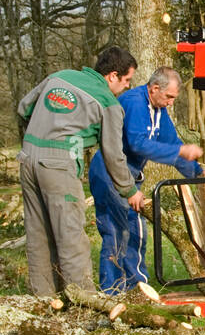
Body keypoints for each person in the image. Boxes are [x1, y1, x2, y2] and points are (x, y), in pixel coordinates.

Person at [16, 46, 144, 296]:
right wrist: (129, 190)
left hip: (27, 158)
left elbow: (23, 109)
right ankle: (83, 303)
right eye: (127, 80)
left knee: (38, 234)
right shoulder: (108, 103)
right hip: (59, 165)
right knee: (71, 236)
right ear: (112, 76)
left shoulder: (59, 77)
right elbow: (113, 155)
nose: (128, 87)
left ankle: (44, 300)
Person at [89, 66, 204, 295]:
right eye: (169, 97)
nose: (171, 102)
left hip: (129, 176)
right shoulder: (134, 103)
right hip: (110, 172)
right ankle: (113, 290)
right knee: (117, 231)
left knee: (135, 230)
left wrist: (198, 174)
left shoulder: (158, 110)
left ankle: (135, 287)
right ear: (154, 88)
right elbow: (138, 144)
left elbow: (172, 143)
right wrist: (181, 151)